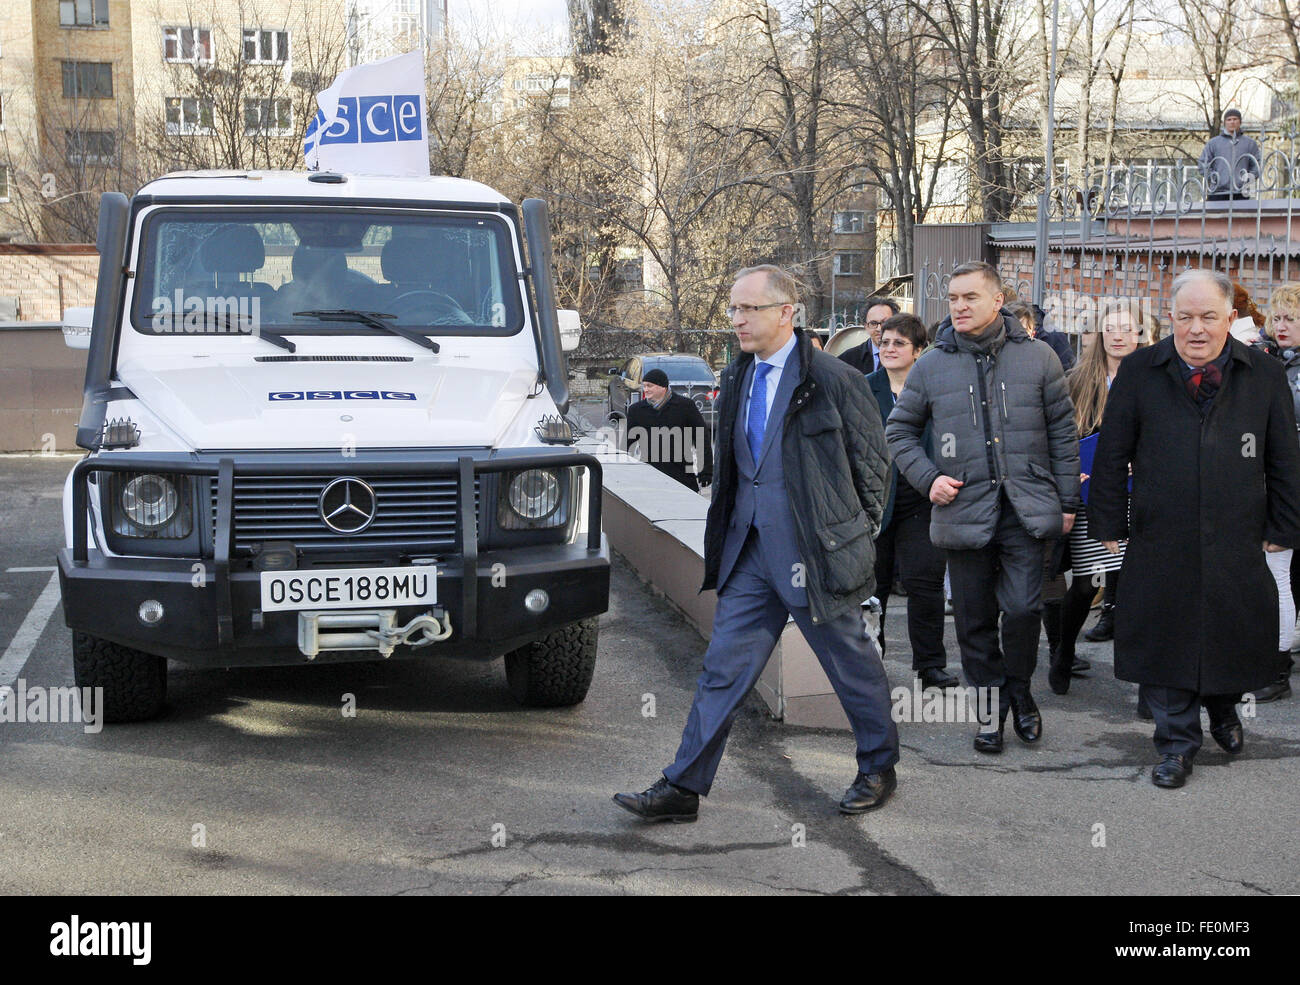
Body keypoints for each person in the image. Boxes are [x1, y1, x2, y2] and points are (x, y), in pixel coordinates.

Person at [613, 265, 898, 821]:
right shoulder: (738, 372)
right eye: (734, 309)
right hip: (749, 553)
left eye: (750, 309)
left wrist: (852, 538)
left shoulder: (832, 379)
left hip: (814, 555)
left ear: (787, 312)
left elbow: (873, 468)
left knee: (849, 662)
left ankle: (878, 766)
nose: (737, 320)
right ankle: (684, 786)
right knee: (722, 668)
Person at [1090, 269, 1300, 788]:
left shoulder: (1265, 375)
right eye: (1185, 317)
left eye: (1209, 317)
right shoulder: (1141, 370)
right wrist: (1110, 520)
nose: (1197, 329)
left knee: (1230, 630)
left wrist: (1285, 525)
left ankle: (1223, 707)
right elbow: (1113, 453)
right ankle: (1176, 745)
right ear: (1172, 321)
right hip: (1161, 532)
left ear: (1232, 319)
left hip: (1238, 530)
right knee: (1166, 635)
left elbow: (1284, 460)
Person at [887, 260, 1080, 755]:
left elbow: (1063, 433)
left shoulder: (1039, 358)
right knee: (973, 620)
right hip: (963, 511)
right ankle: (990, 712)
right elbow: (899, 432)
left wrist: (1067, 502)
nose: (960, 307)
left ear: (997, 301)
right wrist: (929, 480)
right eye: (953, 299)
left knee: (1021, 611)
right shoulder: (932, 365)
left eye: (970, 297)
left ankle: (1020, 691)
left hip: (1026, 507)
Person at [1047, 300, 1158, 694]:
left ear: (1142, 335)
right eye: (1109, 327)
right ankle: (1062, 650)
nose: (1117, 335)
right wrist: (1067, 471)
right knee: (1086, 583)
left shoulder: (1157, 379)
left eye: (1127, 328)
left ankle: (1147, 680)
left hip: (1141, 497)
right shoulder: (1078, 380)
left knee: (1138, 588)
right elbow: (1058, 434)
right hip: (1092, 494)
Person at [867, 313, 958, 690]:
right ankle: (871, 662)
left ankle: (931, 665)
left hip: (922, 500)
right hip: (874, 502)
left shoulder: (935, 389)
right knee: (873, 589)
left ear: (919, 351)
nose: (888, 348)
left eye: (898, 343)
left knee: (925, 583)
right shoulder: (863, 387)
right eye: (884, 341)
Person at [1252, 281, 1300, 700]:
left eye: (1292, 319)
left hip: (1289, 485)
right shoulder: (1267, 360)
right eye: (1278, 318)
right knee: (1278, 573)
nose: (1281, 325)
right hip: (1272, 483)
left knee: (1281, 575)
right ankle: (1273, 661)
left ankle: (1278, 665)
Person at [625, 368, 713, 491]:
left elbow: (701, 438)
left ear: (663, 387)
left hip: (681, 474)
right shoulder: (637, 410)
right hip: (650, 476)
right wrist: (625, 470)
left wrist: (706, 470)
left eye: (650, 386)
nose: (646, 390)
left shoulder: (685, 406)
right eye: (644, 386)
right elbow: (628, 444)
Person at [1198, 109, 1261, 202]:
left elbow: (1257, 165)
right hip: (1217, 192)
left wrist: (1247, 180)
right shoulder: (1214, 143)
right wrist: (1214, 178)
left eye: (1235, 119)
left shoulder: (1249, 143)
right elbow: (1203, 163)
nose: (1232, 122)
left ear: (1240, 122)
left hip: (1241, 193)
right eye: (1229, 119)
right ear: (1224, 123)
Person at [838, 297, 900, 374]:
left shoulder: (906, 358)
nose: (879, 328)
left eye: (885, 322)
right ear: (865, 326)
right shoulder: (848, 360)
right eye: (873, 323)